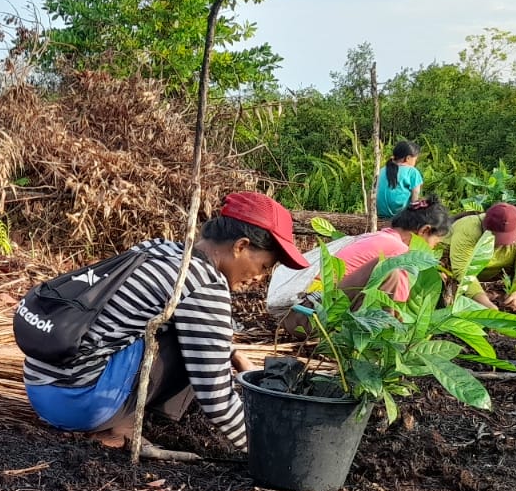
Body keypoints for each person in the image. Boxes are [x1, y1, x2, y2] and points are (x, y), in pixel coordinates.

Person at [22, 192, 307, 455]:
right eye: (264, 266)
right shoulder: (205, 283)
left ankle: (121, 427)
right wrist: (271, 451)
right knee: (194, 347)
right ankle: (119, 430)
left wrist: (235, 354)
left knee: (185, 332)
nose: (260, 278)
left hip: (43, 388)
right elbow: (217, 400)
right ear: (241, 246)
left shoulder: (161, 249)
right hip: (81, 402)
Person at [280, 199, 453, 330]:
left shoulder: (379, 236)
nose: (432, 249)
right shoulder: (399, 251)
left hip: (299, 313)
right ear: (424, 231)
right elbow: (398, 310)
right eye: (435, 243)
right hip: (310, 318)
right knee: (393, 271)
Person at [444, 201, 516, 311]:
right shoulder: (468, 229)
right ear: (485, 227)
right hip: (458, 268)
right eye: (496, 237)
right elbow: (463, 270)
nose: (501, 244)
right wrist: (486, 304)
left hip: (498, 270)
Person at [375, 141, 424, 220]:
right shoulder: (412, 171)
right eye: (415, 159)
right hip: (400, 216)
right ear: (408, 158)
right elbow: (415, 197)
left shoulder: (382, 170)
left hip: (380, 214)